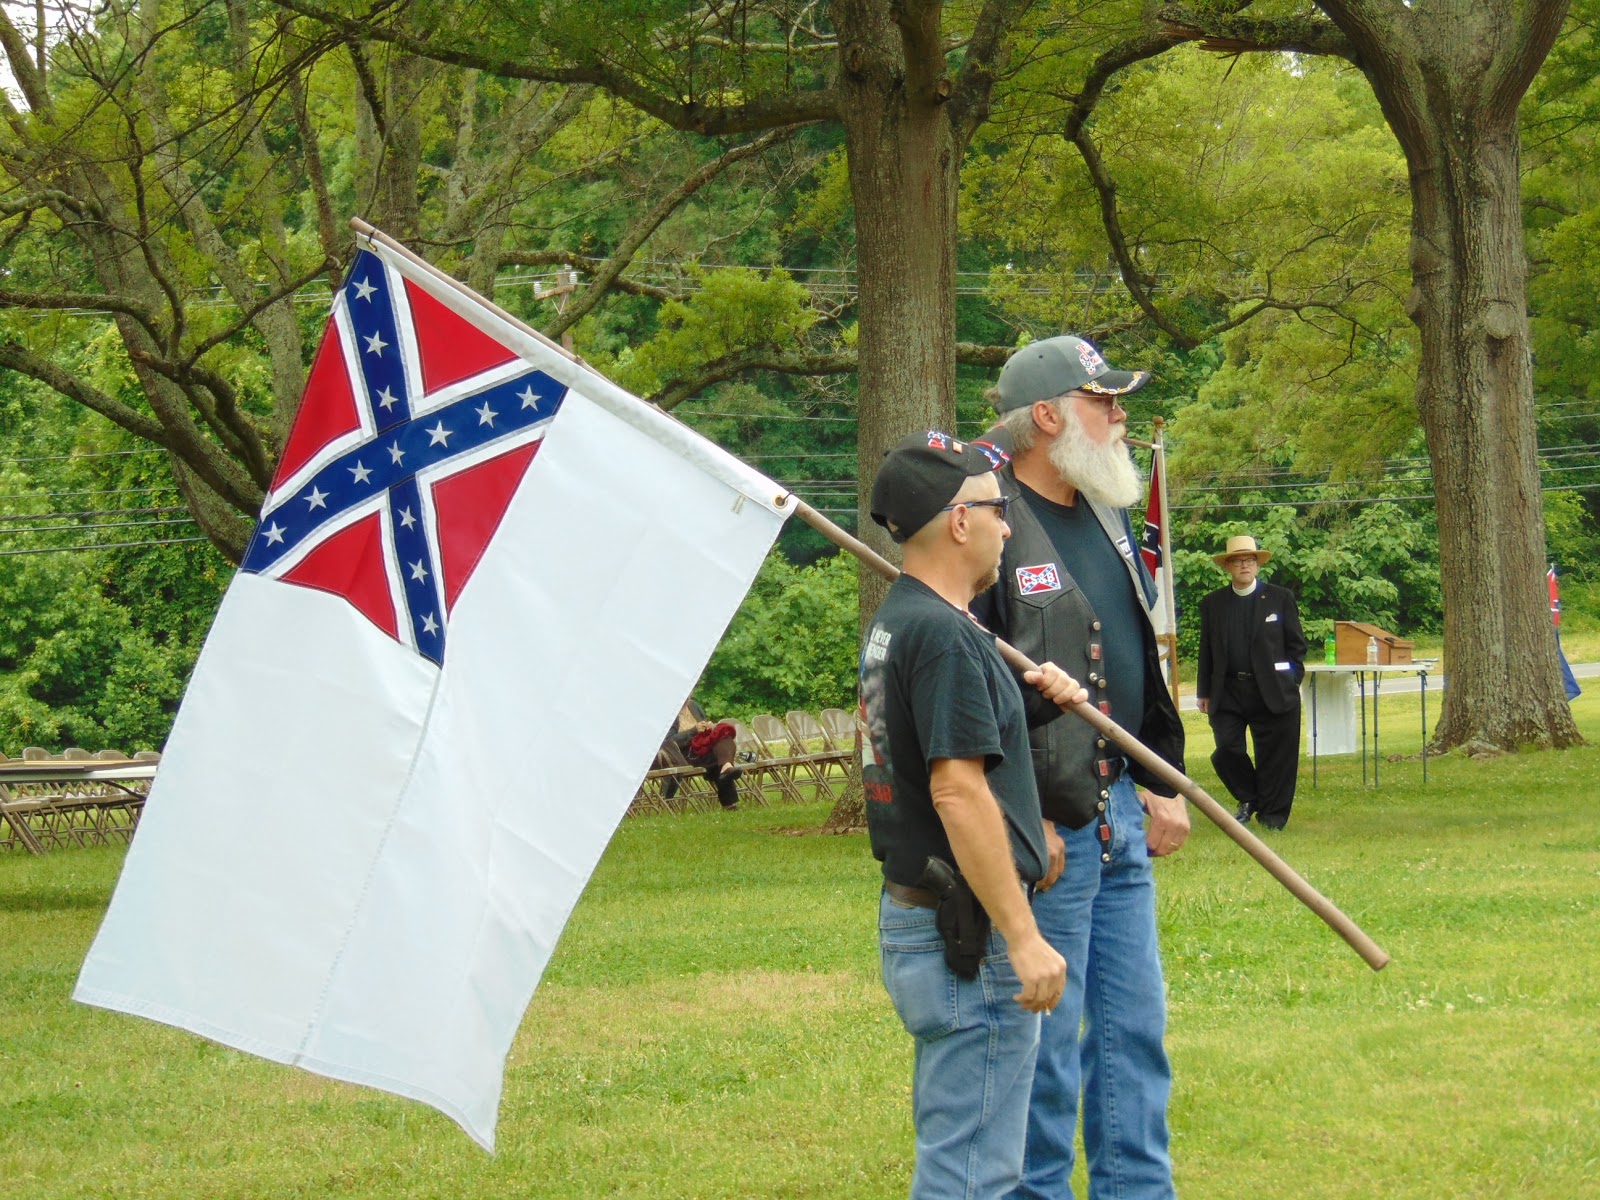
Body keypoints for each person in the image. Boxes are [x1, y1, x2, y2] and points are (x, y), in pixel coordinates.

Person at [970, 335, 1188, 1200]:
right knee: (1048, 1048)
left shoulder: (1107, 512)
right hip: (1050, 824)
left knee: (1135, 1034)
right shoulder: (986, 520)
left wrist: (1162, 782)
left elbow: (1138, 652)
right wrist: (1022, 817)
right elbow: (973, 688)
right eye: (1105, 401)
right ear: (1050, 416)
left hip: (1123, 811)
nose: (1121, 416)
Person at [862, 430, 1086, 1200]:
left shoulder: (907, 621)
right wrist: (1023, 939)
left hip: (924, 919)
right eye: (997, 510)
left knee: (961, 1153)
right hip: (969, 935)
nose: (1006, 526)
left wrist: (1031, 699)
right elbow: (957, 793)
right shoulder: (947, 637)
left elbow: (941, 740)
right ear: (959, 522)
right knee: (973, 1173)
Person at [1196, 534, 1307, 830]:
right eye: (1237, 561)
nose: (1244, 565)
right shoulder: (1213, 604)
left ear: (1257, 565)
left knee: (1276, 758)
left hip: (1272, 690)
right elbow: (1206, 649)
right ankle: (1249, 796)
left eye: (1249, 560)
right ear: (1228, 567)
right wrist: (1204, 691)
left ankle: (1272, 818)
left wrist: (1290, 678)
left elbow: (1296, 646)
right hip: (1228, 691)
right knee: (1227, 750)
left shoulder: (1279, 598)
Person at [657, 698, 741, 810]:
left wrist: (707, 726)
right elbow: (668, 741)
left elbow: (703, 725)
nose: (688, 697)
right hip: (684, 754)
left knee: (724, 735)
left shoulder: (693, 706)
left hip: (702, 747)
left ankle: (726, 766)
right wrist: (693, 731)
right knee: (717, 759)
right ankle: (729, 802)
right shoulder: (668, 711)